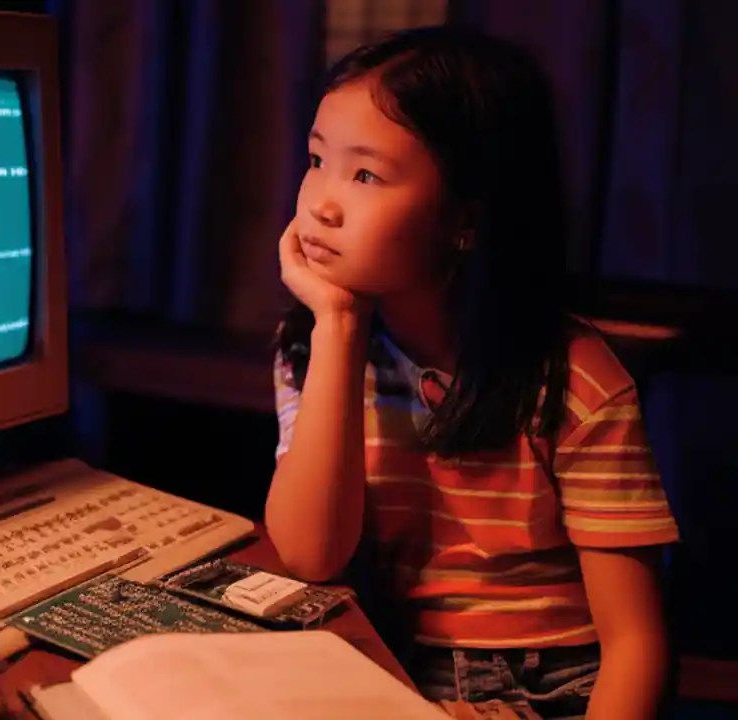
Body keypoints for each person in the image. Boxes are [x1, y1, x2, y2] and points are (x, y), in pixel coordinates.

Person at [266, 26, 678, 720]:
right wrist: (338, 326)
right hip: (389, 664)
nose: (320, 204)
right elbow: (310, 555)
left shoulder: (574, 381)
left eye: (364, 174)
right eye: (316, 159)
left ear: (465, 219)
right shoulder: (314, 346)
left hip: (551, 688)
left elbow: (636, 648)